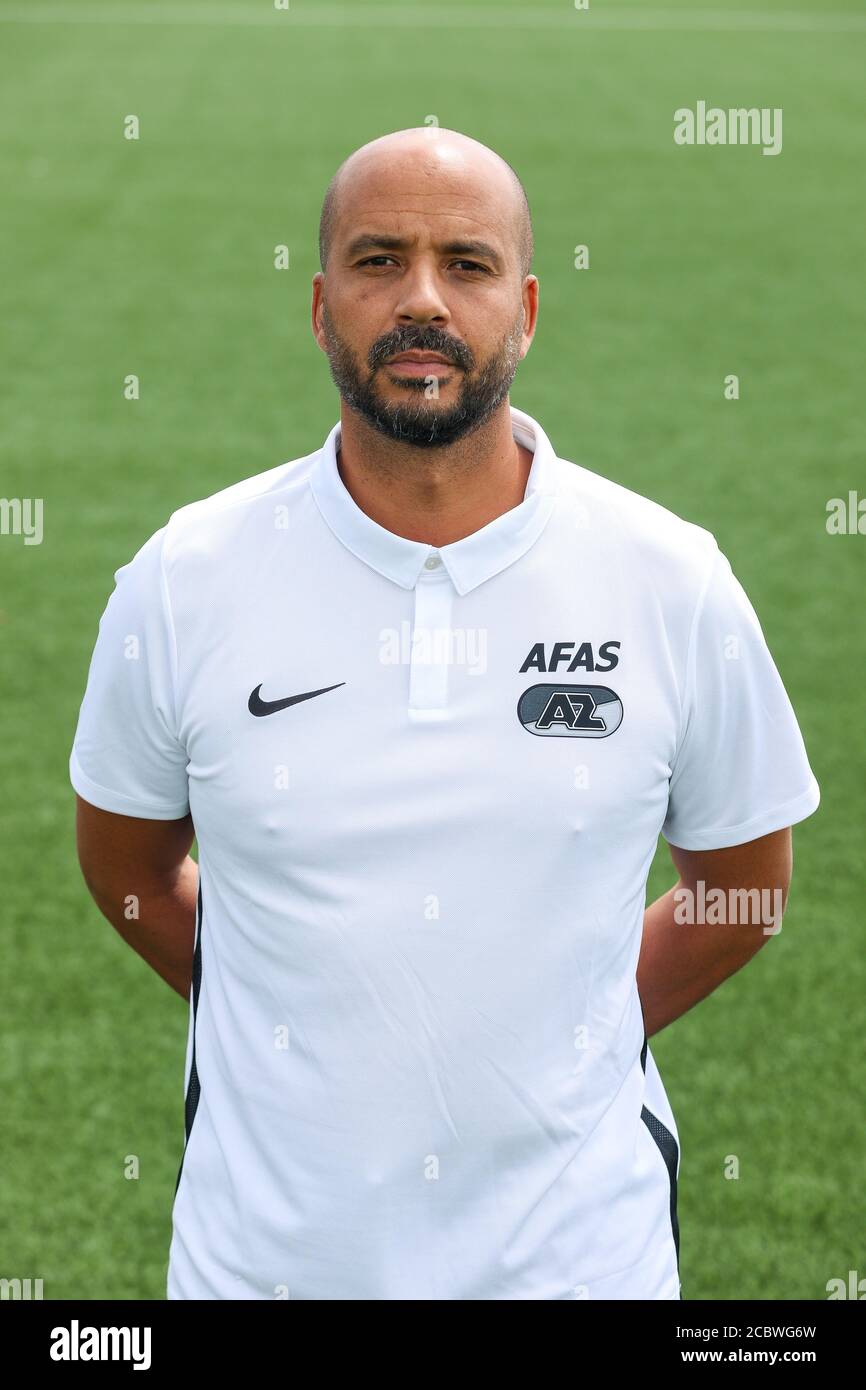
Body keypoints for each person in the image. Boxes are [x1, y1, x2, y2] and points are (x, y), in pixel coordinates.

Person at [70, 127, 820, 1300]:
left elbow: (743, 886)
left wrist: (549, 1026)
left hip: (580, 1270)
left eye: (464, 265)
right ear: (320, 307)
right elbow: (125, 865)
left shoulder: (669, 578)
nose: (421, 298)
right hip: (263, 1270)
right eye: (378, 261)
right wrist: (310, 1005)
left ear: (524, 310)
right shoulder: (187, 576)